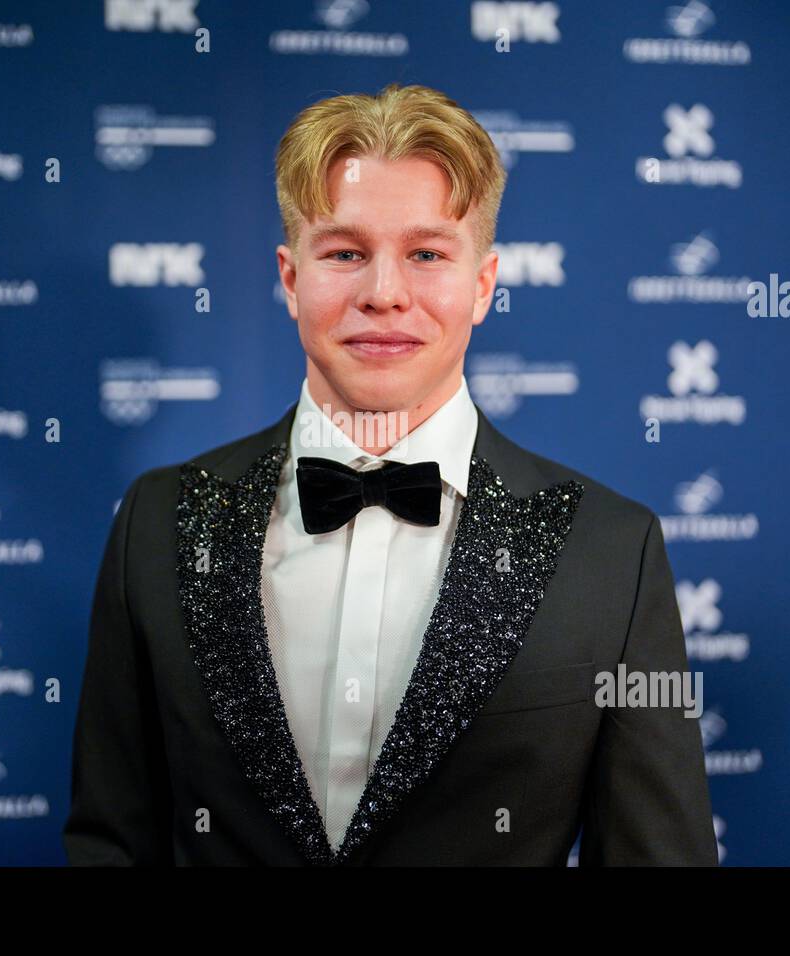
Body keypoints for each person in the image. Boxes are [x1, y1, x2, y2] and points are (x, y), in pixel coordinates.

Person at [63, 83, 717, 866]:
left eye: (427, 254)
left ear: (483, 285)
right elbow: (111, 843)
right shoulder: (160, 520)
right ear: (290, 278)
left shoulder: (612, 550)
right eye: (344, 253)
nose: (384, 294)